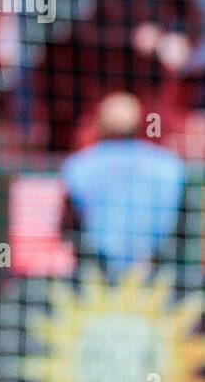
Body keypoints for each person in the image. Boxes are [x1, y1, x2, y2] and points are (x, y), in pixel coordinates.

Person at [61, 92, 186, 279]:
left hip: (99, 278)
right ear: (140, 124)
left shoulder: (78, 166)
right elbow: (183, 228)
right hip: (158, 275)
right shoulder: (171, 166)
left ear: (99, 125)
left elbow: (67, 228)